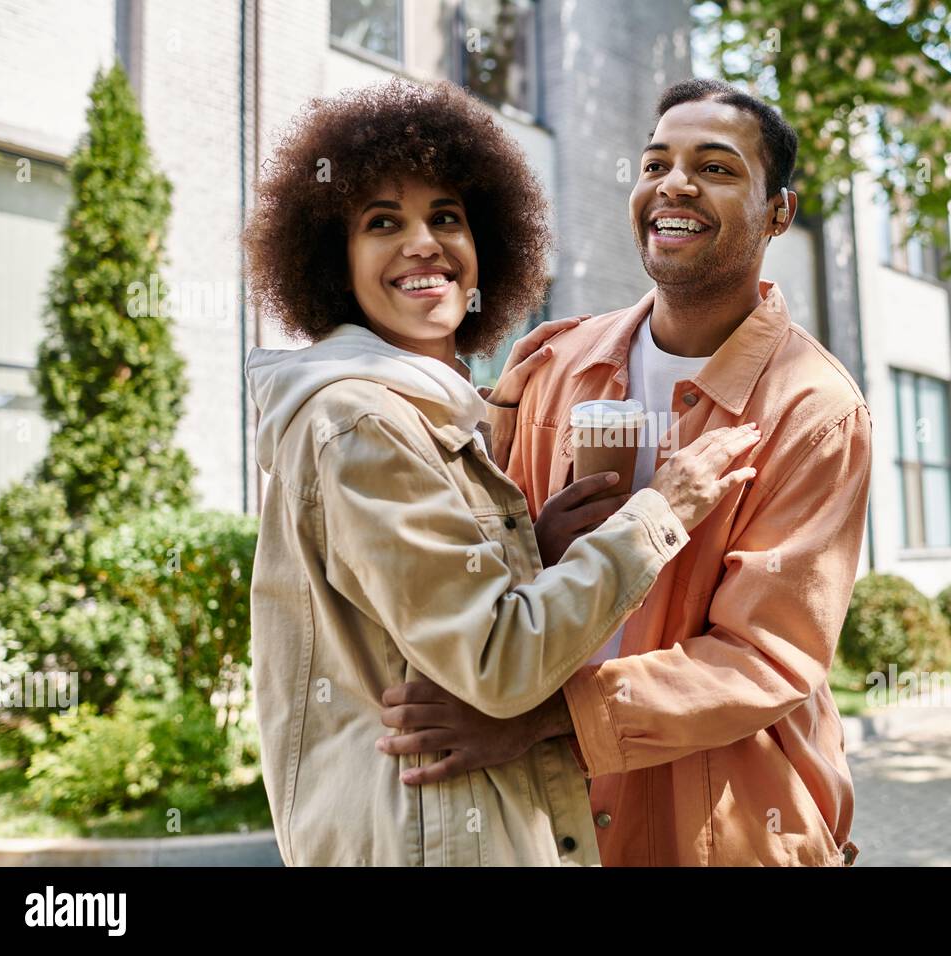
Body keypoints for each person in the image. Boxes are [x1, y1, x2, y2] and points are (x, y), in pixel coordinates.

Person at [241, 78, 759, 866]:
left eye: (445, 217)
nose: (423, 243)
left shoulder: (423, 409)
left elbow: (432, 611)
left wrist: (537, 552)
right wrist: (661, 512)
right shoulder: (364, 421)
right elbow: (497, 662)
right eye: (383, 223)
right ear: (332, 263)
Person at [379, 78, 873, 867]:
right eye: (656, 164)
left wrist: (537, 722)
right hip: (545, 820)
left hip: (723, 829)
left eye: (716, 168)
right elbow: (476, 562)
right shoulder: (548, 363)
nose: (674, 183)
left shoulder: (811, 409)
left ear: (778, 212)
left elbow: (767, 656)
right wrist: (532, 544)